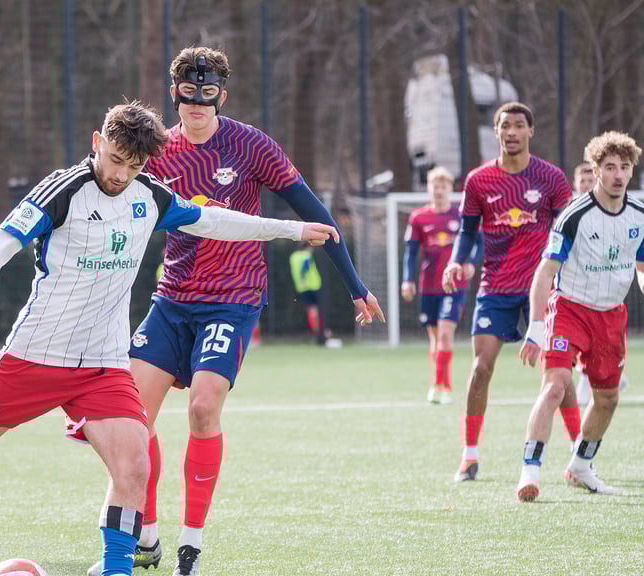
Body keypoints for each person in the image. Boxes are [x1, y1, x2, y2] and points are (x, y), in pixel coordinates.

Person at [0, 101, 339, 576]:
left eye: (133, 167)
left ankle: (118, 571)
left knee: (134, 466)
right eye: (114, 160)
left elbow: (216, 221)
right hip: (36, 355)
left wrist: (292, 229)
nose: (121, 175)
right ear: (97, 143)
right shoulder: (62, 192)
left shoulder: (149, 196)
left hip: (103, 365)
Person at [87, 47, 383, 576]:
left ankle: (190, 546)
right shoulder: (157, 151)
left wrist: (356, 286)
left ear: (222, 96)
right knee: (132, 419)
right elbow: (108, 197)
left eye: (208, 93)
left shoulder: (250, 144)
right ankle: (146, 535)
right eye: (187, 91)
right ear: (174, 92)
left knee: (203, 408)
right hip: (172, 298)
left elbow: (315, 214)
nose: (197, 103)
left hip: (234, 297)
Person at [443, 102, 576, 483]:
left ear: (530, 131)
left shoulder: (551, 178)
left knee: (558, 373)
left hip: (544, 288)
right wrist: (457, 261)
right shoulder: (479, 180)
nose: (512, 132)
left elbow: (568, 230)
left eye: (519, 125)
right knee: (481, 368)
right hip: (495, 287)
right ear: (497, 132)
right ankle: (469, 456)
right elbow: (467, 232)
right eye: (506, 126)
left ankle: (577, 455)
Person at [516, 131, 642, 502]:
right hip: (569, 309)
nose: (618, 175)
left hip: (611, 316)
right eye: (610, 167)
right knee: (555, 385)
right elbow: (543, 273)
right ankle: (530, 469)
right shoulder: (575, 215)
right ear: (596, 170)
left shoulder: (639, 216)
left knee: (608, 398)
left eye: (624, 167)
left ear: (632, 171)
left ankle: (581, 467)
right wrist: (536, 328)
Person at [402, 166, 481, 404]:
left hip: (454, 285)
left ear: (450, 189)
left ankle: (442, 387)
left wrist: (472, 263)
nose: (439, 190)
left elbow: (480, 242)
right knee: (435, 338)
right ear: (429, 189)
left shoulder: (461, 216)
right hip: (428, 287)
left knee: (446, 335)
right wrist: (407, 279)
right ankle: (436, 383)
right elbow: (411, 252)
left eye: (443, 186)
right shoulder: (418, 217)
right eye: (435, 186)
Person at [570, 162, 629, 406]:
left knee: (611, 337)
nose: (585, 184)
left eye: (588, 179)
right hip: (576, 287)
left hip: (607, 284)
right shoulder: (570, 212)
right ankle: (584, 379)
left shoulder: (611, 211)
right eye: (581, 180)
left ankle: (613, 373)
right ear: (575, 185)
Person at [289, 245, 327, 345]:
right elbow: (305, 266)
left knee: (311, 310)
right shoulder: (307, 254)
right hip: (313, 285)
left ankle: (316, 333)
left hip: (301, 288)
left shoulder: (293, 256)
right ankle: (321, 334)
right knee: (319, 311)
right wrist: (303, 277)